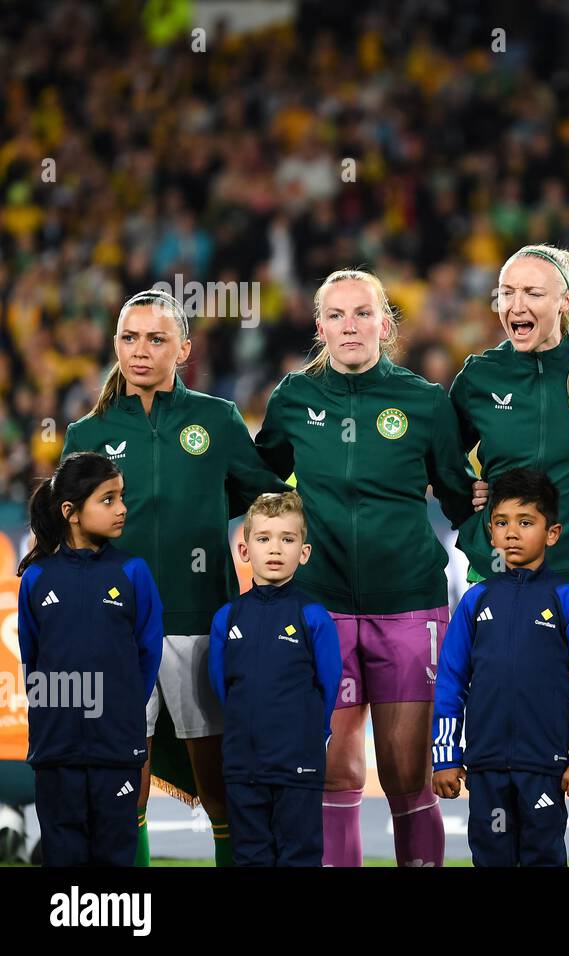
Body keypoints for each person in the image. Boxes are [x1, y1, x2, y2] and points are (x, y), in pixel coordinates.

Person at [256, 269, 477, 867]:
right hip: (321, 605)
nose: (349, 326)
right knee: (334, 768)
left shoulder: (426, 401)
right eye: (336, 315)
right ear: (320, 326)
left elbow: (461, 501)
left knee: (408, 773)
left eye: (362, 313)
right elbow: (253, 481)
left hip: (409, 604)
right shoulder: (293, 400)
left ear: (385, 321)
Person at [62, 289, 288, 866]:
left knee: (219, 787)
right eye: (130, 338)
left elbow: (262, 495)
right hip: (113, 630)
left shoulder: (217, 419)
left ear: (183, 348)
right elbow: (67, 533)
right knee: (121, 787)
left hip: (201, 623)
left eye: (156, 338)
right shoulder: (87, 434)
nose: (141, 350)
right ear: (116, 344)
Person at [450, 243, 569, 865]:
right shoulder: (478, 378)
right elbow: (437, 461)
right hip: (500, 583)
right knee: (508, 737)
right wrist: (472, 512)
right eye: (507, 293)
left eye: (533, 293)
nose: (517, 305)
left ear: (566, 299)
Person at [431, 468, 569, 867]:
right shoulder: (476, 601)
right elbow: (450, 684)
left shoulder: (568, 599)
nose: (511, 532)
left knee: (543, 856)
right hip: (485, 765)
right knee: (491, 856)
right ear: (491, 533)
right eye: (501, 522)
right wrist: (445, 755)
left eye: (525, 522)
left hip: (543, 765)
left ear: (552, 532)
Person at [17, 452, 163, 866]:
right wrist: (54, 717)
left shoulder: (134, 573)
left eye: (121, 497)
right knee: (62, 855)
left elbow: (148, 654)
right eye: (108, 499)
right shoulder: (37, 578)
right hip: (55, 749)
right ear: (71, 512)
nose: (122, 509)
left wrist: (120, 708)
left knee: (116, 853)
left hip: (116, 747)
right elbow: (33, 659)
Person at [208, 492, 342, 866]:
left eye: (288, 539)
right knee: (250, 856)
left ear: (304, 552)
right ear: (245, 549)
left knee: (299, 855)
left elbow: (328, 685)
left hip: (297, 764)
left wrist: (308, 734)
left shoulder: (313, 616)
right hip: (242, 765)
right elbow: (224, 685)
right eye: (264, 538)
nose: (275, 549)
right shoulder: (227, 618)